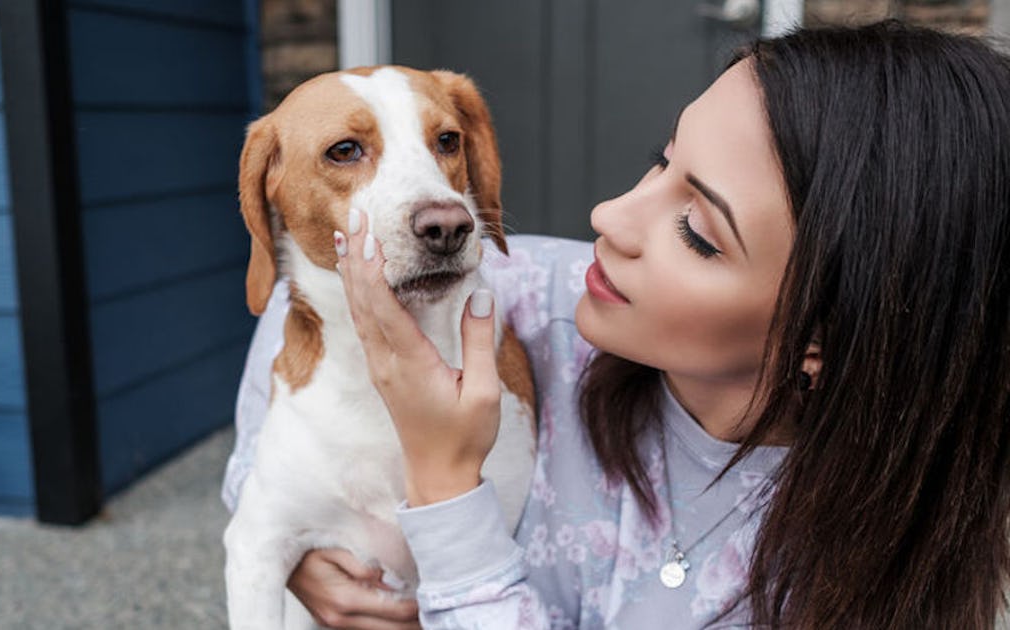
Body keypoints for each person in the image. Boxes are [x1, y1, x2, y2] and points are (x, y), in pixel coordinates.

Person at [223, 20, 1010, 629]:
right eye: (659, 162)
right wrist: (289, 537)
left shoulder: (859, 581)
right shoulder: (540, 289)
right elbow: (312, 301)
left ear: (828, 341)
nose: (607, 216)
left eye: (698, 230)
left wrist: (442, 487)